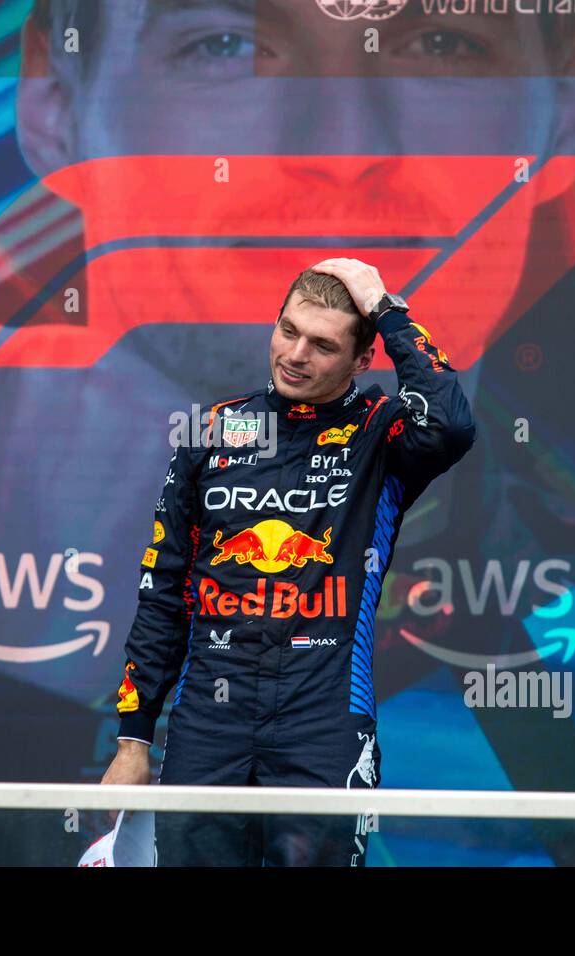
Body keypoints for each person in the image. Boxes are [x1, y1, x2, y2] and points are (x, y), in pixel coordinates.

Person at [100, 257, 476, 865]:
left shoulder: (382, 433)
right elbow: (163, 592)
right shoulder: (212, 431)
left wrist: (385, 308)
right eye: (287, 330)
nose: (296, 354)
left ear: (361, 360)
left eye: (323, 344)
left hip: (322, 721)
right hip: (209, 722)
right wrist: (134, 739)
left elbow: (452, 424)